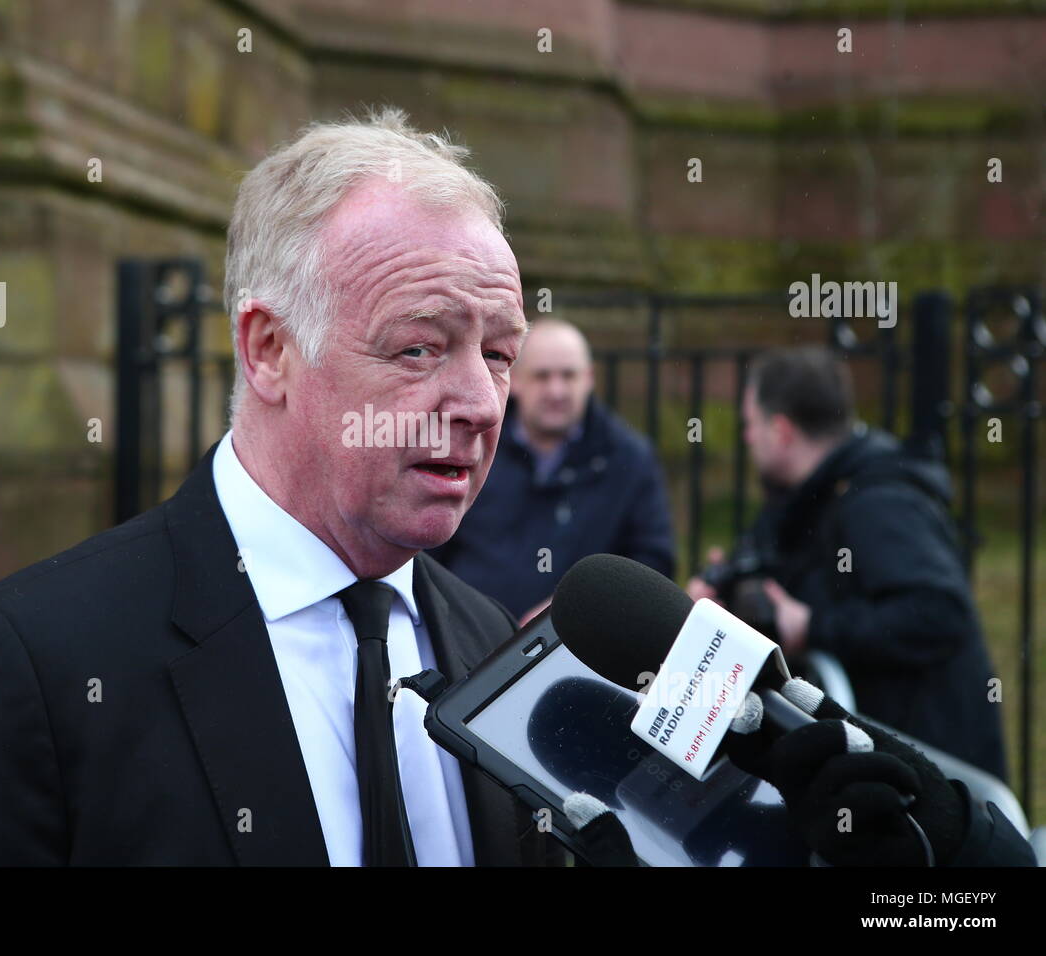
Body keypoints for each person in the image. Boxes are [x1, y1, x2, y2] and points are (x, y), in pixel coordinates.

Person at [0, 107, 559, 866]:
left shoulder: (489, 640)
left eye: (497, 353)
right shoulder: (28, 663)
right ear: (268, 349)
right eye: (420, 347)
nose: (483, 404)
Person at [688, 346, 1008, 781]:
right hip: (879, 763)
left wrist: (814, 627)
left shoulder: (879, 502)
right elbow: (796, 580)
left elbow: (941, 613)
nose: (747, 438)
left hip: (930, 778)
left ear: (781, 430)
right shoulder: (807, 498)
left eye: (750, 424)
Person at [430, 318, 674, 622]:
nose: (556, 390)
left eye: (568, 376)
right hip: (466, 641)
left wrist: (576, 609)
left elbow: (654, 564)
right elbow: (430, 549)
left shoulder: (629, 459)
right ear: (515, 379)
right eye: (543, 376)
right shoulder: (472, 445)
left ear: (589, 378)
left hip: (579, 647)